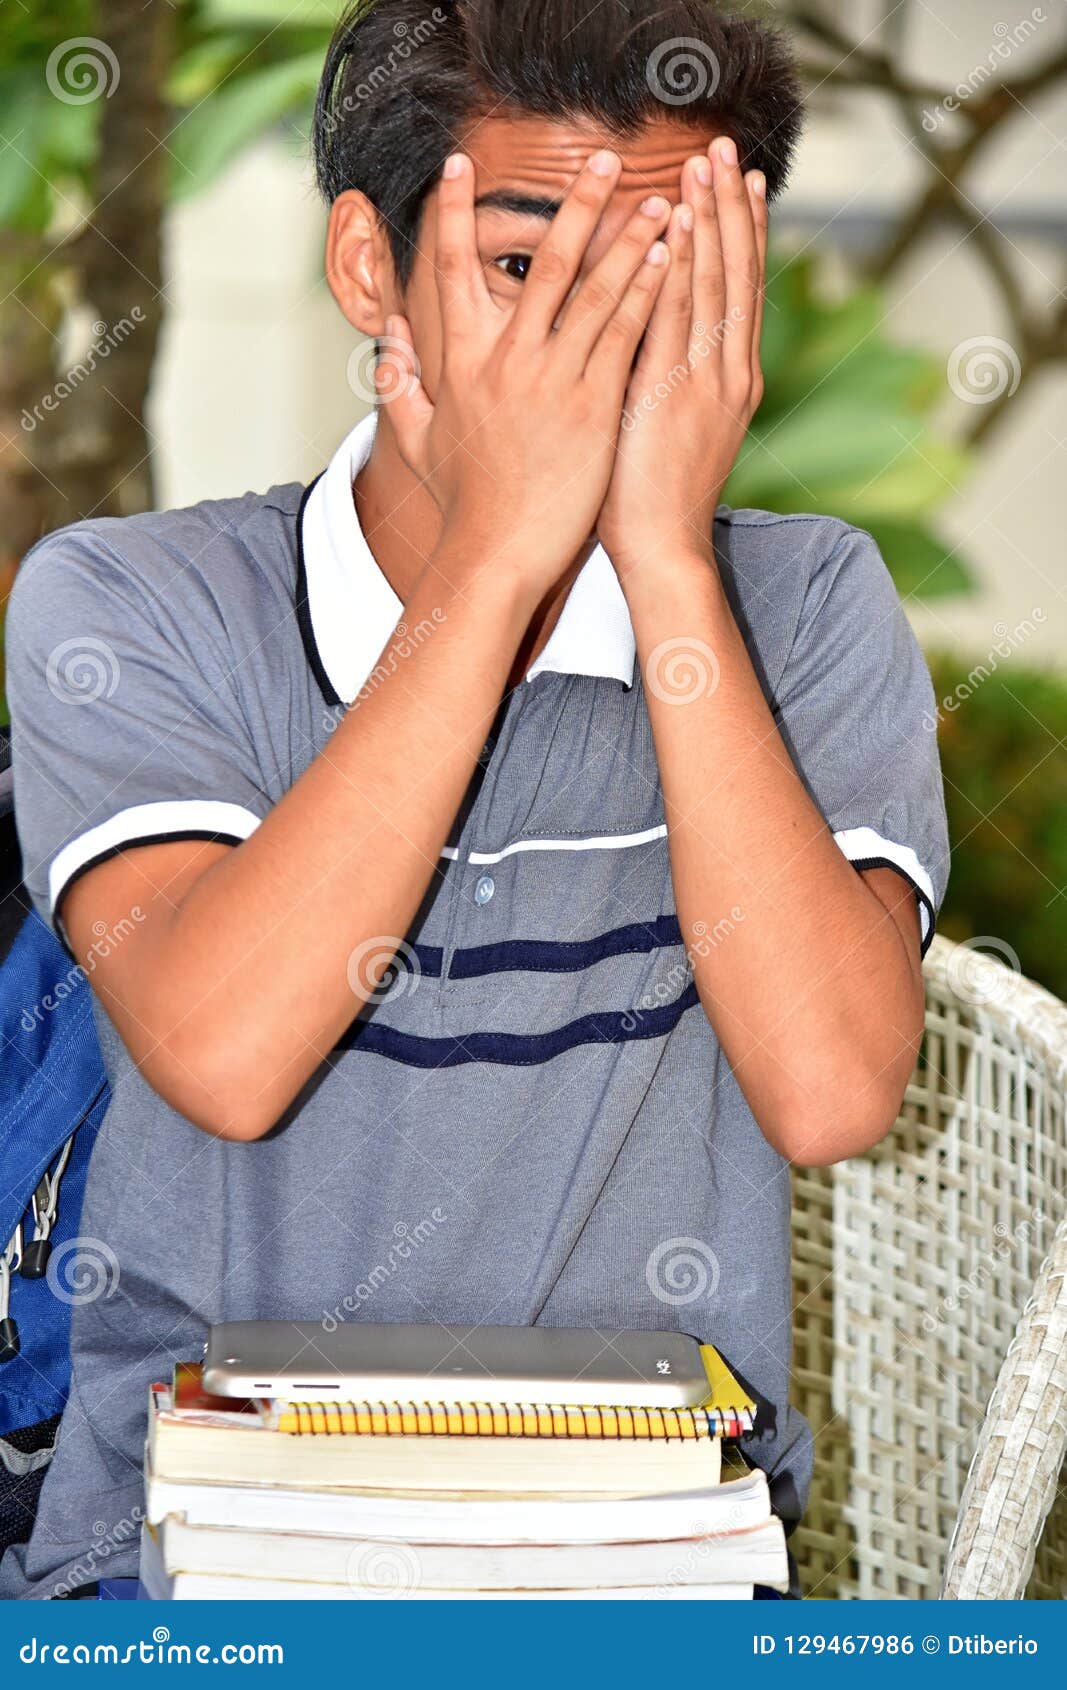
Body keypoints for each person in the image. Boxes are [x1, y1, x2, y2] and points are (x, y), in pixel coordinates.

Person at [1, 0, 948, 1598]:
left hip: (659, 1565)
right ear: (370, 268)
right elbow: (225, 1050)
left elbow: (834, 1087)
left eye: (658, 279)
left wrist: (661, 571)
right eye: (524, 269)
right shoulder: (134, 605)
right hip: (193, 1564)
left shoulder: (800, 607)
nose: (595, 350)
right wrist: (501, 561)